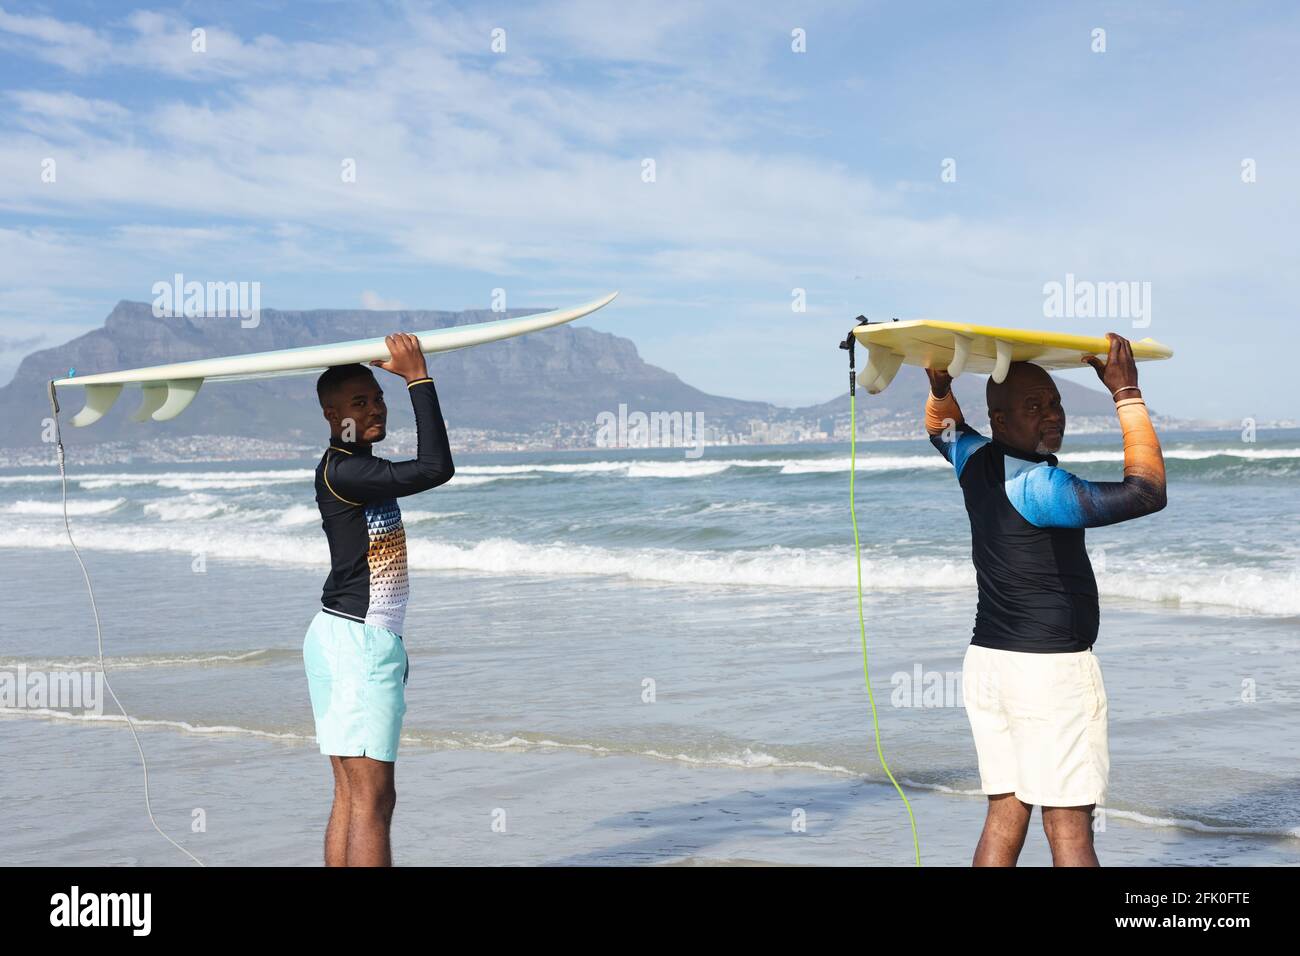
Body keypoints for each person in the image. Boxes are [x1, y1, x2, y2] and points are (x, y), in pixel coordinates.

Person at [924, 332, 1166, 866]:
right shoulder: (1038, 486)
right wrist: (1127, 394)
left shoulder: (974, 462)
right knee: (1069, 827)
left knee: (1006, 810)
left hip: (990, 666)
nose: (1052, 415)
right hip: (1049, 674)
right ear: (1001, 420)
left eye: (1055, 403)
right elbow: (1148, 491)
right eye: (1033, 407)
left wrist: (940, 388)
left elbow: (941, 429)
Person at [302, 333, 454, 866]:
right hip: (359, 643)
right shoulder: (347, 470)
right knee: (373, 799)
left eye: (378, 397)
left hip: (343, 637)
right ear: (331, 413)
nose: (375, 409)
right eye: (359, 402)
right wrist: (418, 379)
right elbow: (437, 468)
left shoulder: (352, 467)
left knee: (352, 795)